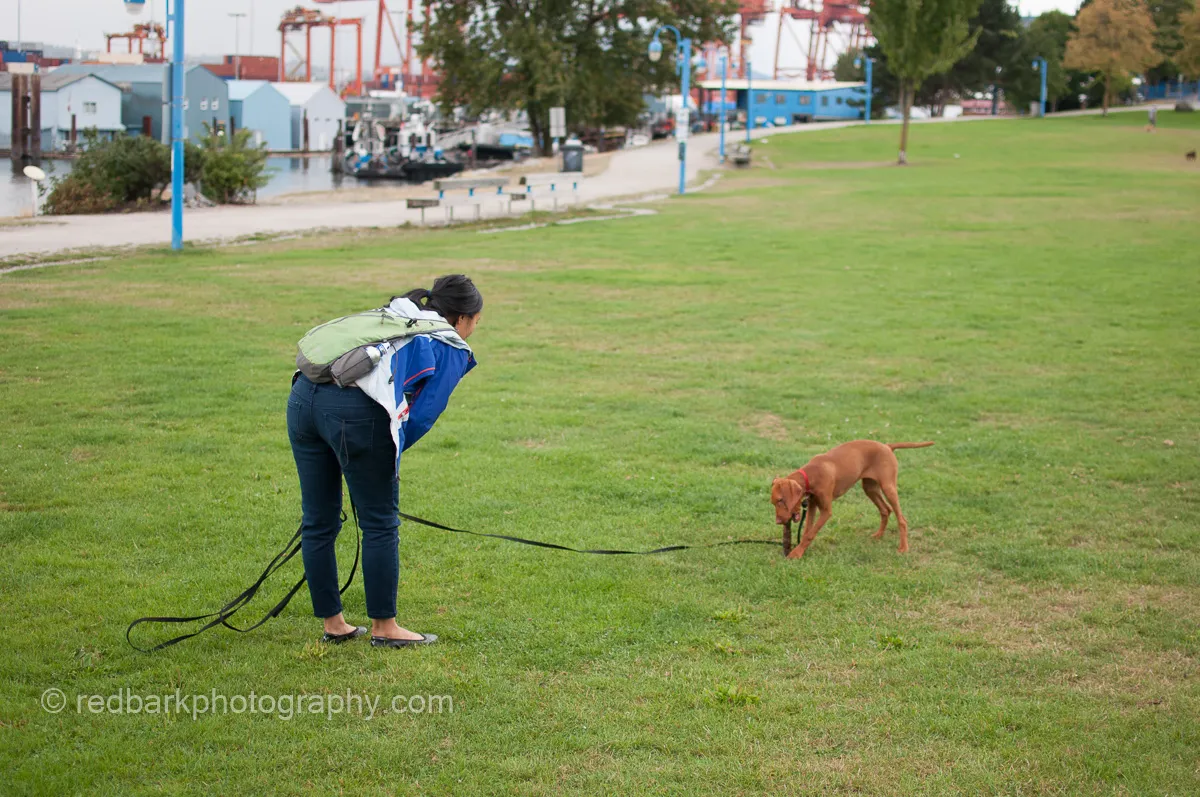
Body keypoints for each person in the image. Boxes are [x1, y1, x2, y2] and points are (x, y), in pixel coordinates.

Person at [286, 275, 482, 648]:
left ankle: (334, 623)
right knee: (379, 521)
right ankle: (385, 627)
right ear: (462, 319)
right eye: (476, 322)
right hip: (351, 415)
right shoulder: (450, 343)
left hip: (302, 399)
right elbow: (421, 416)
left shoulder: (396, 314)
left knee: (318, 518)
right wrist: (380, 460)